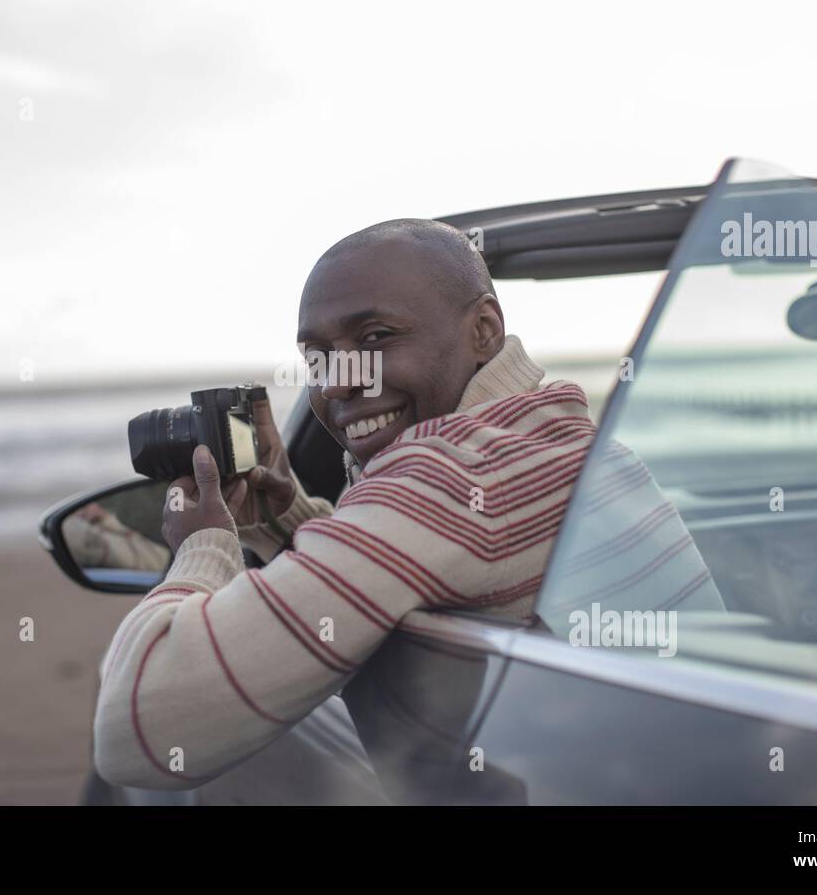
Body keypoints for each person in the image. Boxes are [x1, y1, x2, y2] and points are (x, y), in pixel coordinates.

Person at [93, 218, 722, 790]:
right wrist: (289, 519)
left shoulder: (447, 475)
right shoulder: (559, 437)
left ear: (484, 329)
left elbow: (138, 733)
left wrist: (204, 548)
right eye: (317, 357)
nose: (340, 379)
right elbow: (443, 559)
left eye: (376, 336)